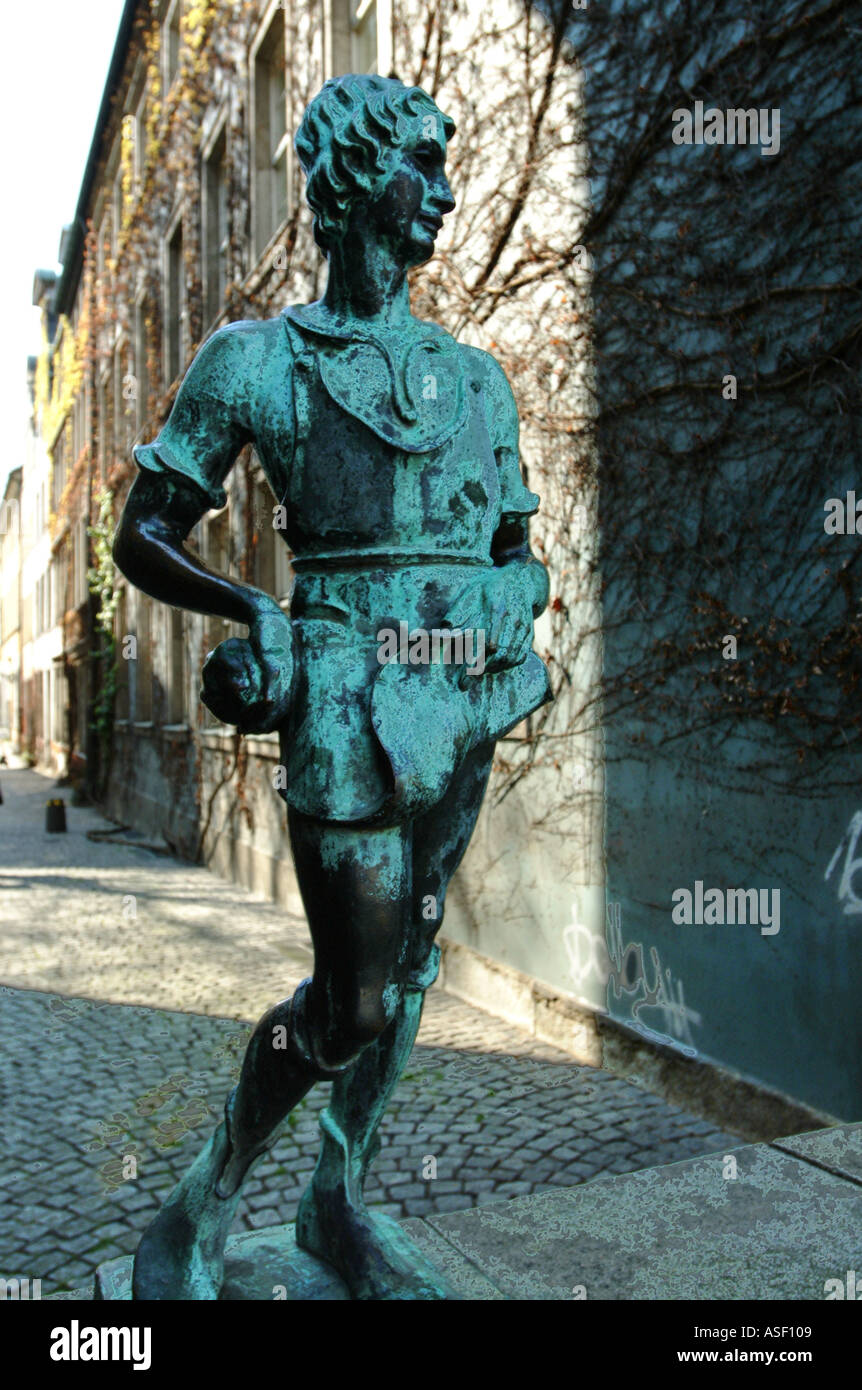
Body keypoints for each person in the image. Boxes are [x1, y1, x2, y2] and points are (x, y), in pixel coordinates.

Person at [112, 72, 551, 1301]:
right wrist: (256, 606)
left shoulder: (475, 380)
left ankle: (337, 1202)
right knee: (352, 998)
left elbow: (520, 553)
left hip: (461, 695)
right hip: (345, 696)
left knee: (412, 972)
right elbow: (142, 531)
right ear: (355, 180)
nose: (446, 196)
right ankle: (196, 1207)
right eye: (421, 165)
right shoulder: (257, 362)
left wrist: (516, 600)